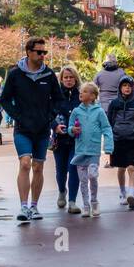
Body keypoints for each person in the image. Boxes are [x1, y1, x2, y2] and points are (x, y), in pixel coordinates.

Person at [0, 37, 64, 223]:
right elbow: (4, 99)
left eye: (44, 52)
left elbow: (58, 99)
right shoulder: (15, 74)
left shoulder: (49, 75)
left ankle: (34, 206)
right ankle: (23, 206)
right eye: (39, 52)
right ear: (28, 52)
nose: (43, 55)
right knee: (25, 163)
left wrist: (50, 116)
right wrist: (17, 116)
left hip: (42, 129)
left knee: (38, 166)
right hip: (22, 129)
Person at [67, 81, 112, 217]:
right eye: (81, 91)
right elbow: (69, 127)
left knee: (93, 175)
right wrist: (72, 130)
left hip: (93, 151)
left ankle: (94, 202)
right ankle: (86, 205)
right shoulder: (76, 111)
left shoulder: (99, 112)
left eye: (85, 91)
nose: (81, 93)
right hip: (80, 151)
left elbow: (106, 128)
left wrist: (108, 146)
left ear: (93, 96)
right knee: (83, 180)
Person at [107, 76, 134, 209]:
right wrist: (109, 138)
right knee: (121, 168)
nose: (127, 88)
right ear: (120, 88)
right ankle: (122, 192)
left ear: (133, 87)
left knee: (131, 167)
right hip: (117, 140)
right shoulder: (114, 104)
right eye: (124, 86)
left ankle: (132, 194)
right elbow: (109, 122)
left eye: (129, 86)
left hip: (133, 140)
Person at [52, 65, 83, 212]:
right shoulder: (55, 95)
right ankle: (61, 191)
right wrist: (54, 126)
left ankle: (72, 202)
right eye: (66, 77)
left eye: (71, 77)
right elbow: (48, 113)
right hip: (60, 138)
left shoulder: (82, 95)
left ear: (76, 78)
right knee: (61, 170)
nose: (69, 80)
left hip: (77, 139)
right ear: (61, 79)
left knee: (74, 168)